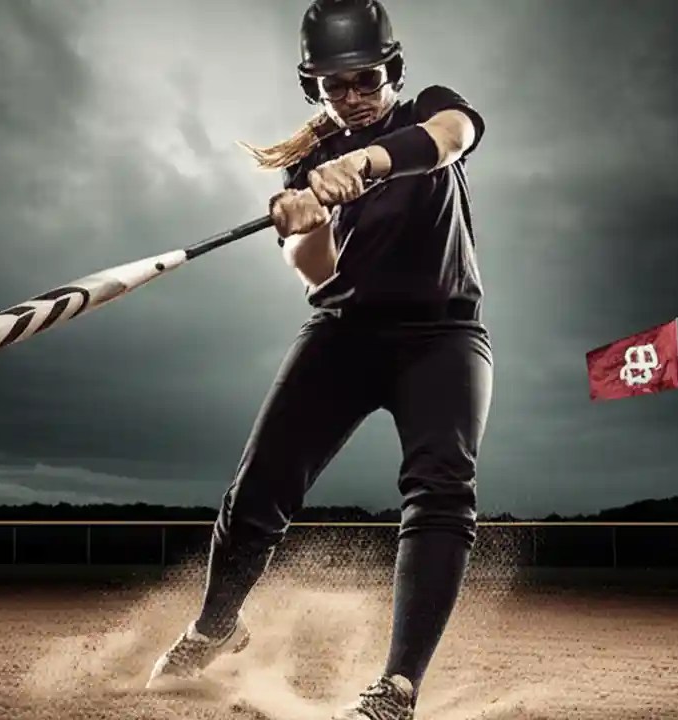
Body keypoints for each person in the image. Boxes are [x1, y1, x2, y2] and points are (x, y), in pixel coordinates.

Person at [145, 1, 493, 718]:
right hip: (344, 331)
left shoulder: (428, 110)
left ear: (391, 71)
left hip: (443, 336)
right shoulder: (307, 162)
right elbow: (316, 272)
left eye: (365, 80)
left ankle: (396, 687)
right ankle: (216, 626)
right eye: (334, 87)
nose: (353, 98)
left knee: (440, 490)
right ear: (316, 89)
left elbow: (451, 140)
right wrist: (302, 220)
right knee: (259, 485)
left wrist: (367, 162)